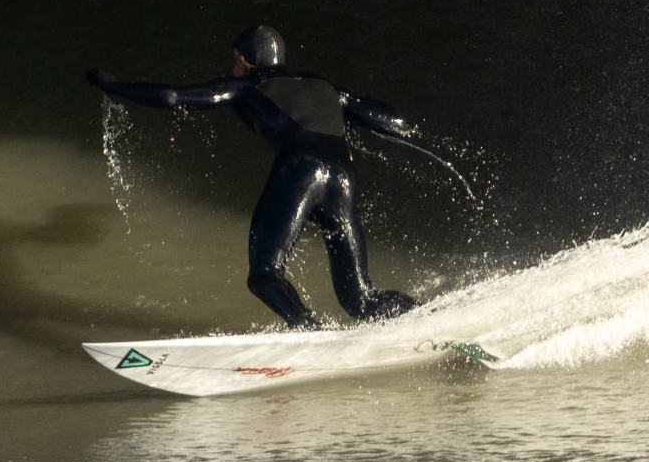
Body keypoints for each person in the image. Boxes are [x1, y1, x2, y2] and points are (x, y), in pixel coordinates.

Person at [85, 23, 439, 329]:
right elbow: (396, 123)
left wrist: (114, 88)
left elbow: (173, 96)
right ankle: (431, 321)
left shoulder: (246, 87)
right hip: (343, 177)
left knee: (265, 274)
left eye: (236, 58)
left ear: (248, 59)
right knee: (360, 297)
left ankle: (306, 328)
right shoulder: (325, 86)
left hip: (302, 169)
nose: (234, 65)